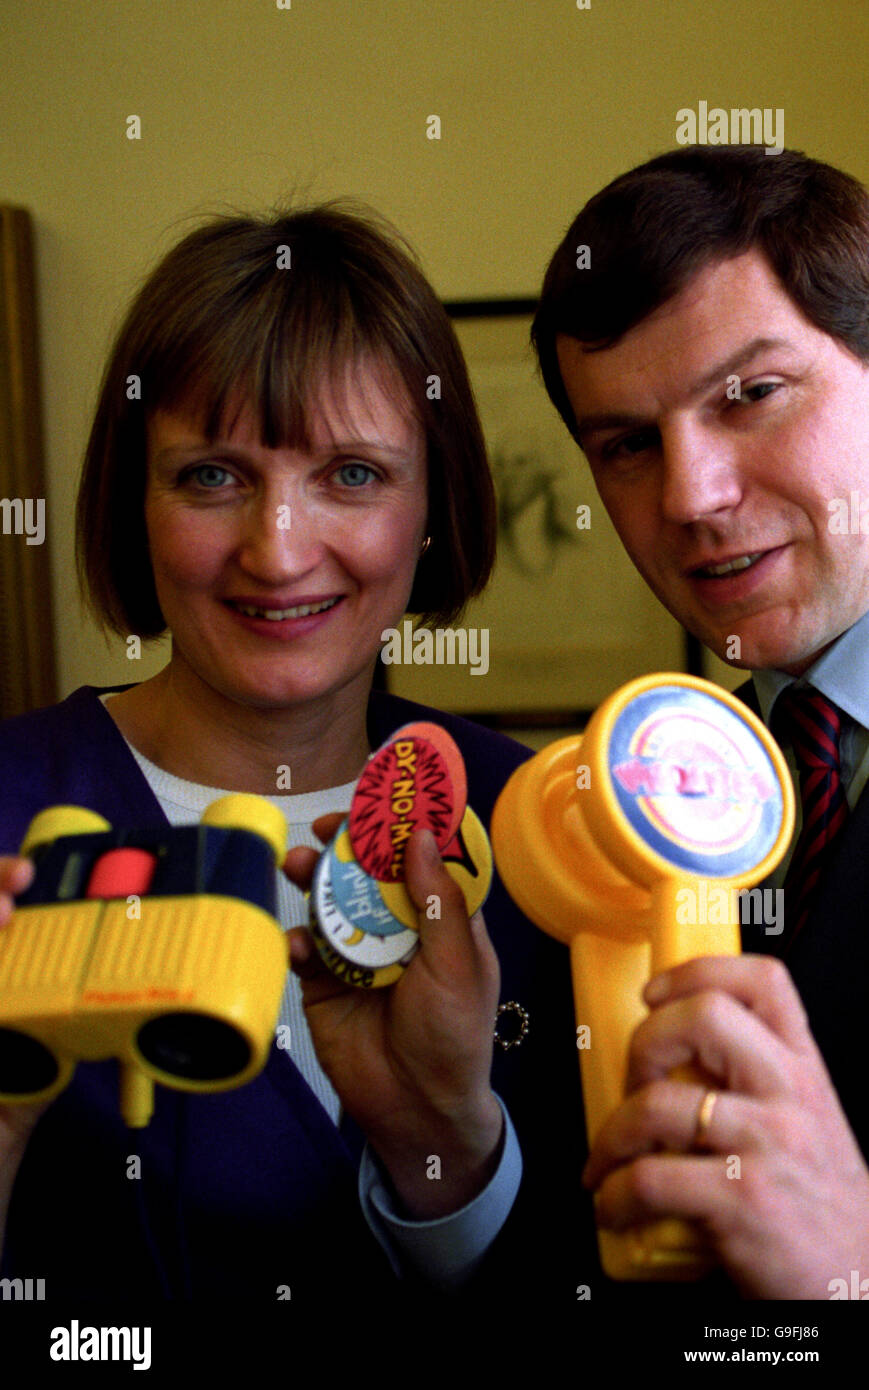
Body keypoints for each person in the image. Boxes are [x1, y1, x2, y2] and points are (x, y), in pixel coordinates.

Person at [0, 203, 586, 1305]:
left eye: (352, 475)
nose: (276, 550)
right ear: (136, 501)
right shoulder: (12, 804)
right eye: (211, 476)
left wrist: (446, 1148)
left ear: (431, 505)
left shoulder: (543, 822)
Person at [532, 144, 869, 1300]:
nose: (686, 497)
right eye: (625, 444)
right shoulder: (638, 799)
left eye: (748, 395)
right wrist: (441, 1136)